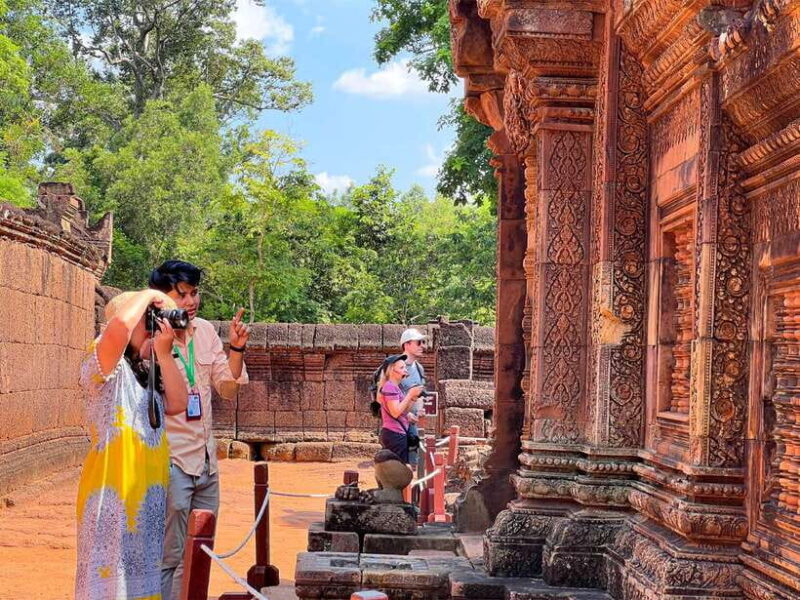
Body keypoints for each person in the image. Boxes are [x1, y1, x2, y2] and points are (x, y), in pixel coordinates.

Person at [75, 289, 188, 600]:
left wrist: (163, 354)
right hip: (112, 498)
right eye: (148, 322)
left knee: (141, 586)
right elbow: (119, 329)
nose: (153, 328)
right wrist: (150, 294)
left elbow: (179, 402)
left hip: (145, 506)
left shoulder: (148, 374)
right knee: (109, 586)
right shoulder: (106, 366)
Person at [149, 260, 251, 600]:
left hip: (206, 461)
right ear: (160, 297)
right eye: (183, 295)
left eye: (194, 294)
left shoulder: (205, 331)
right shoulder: (149, 341)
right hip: (173, 459)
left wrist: (236, 348)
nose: (191, 302)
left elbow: (227, 386)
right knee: (170, 554)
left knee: (202, 548)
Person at [377, 354, 423, 464]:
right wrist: (409, 395)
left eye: (405, 367)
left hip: (398, 432)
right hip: (394, 433)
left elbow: (403, 410)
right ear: (393, 370)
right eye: (401, 368)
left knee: (397, 467)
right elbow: (395, 413)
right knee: (397, 468)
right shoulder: (390, 387)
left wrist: (413, 398)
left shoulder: (395, 387)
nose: (405, 370)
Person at [399, 328, 428, 466]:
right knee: (397, 464)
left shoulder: (419, 368)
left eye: (422, 342)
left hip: (412, 424)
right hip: (397, 424)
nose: (422, 346)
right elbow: (385, 395)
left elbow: (420, 392)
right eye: (418, 342)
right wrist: (405, 414)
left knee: (412, 464)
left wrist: (420, 410)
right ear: (407, 344)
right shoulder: (396, 366)